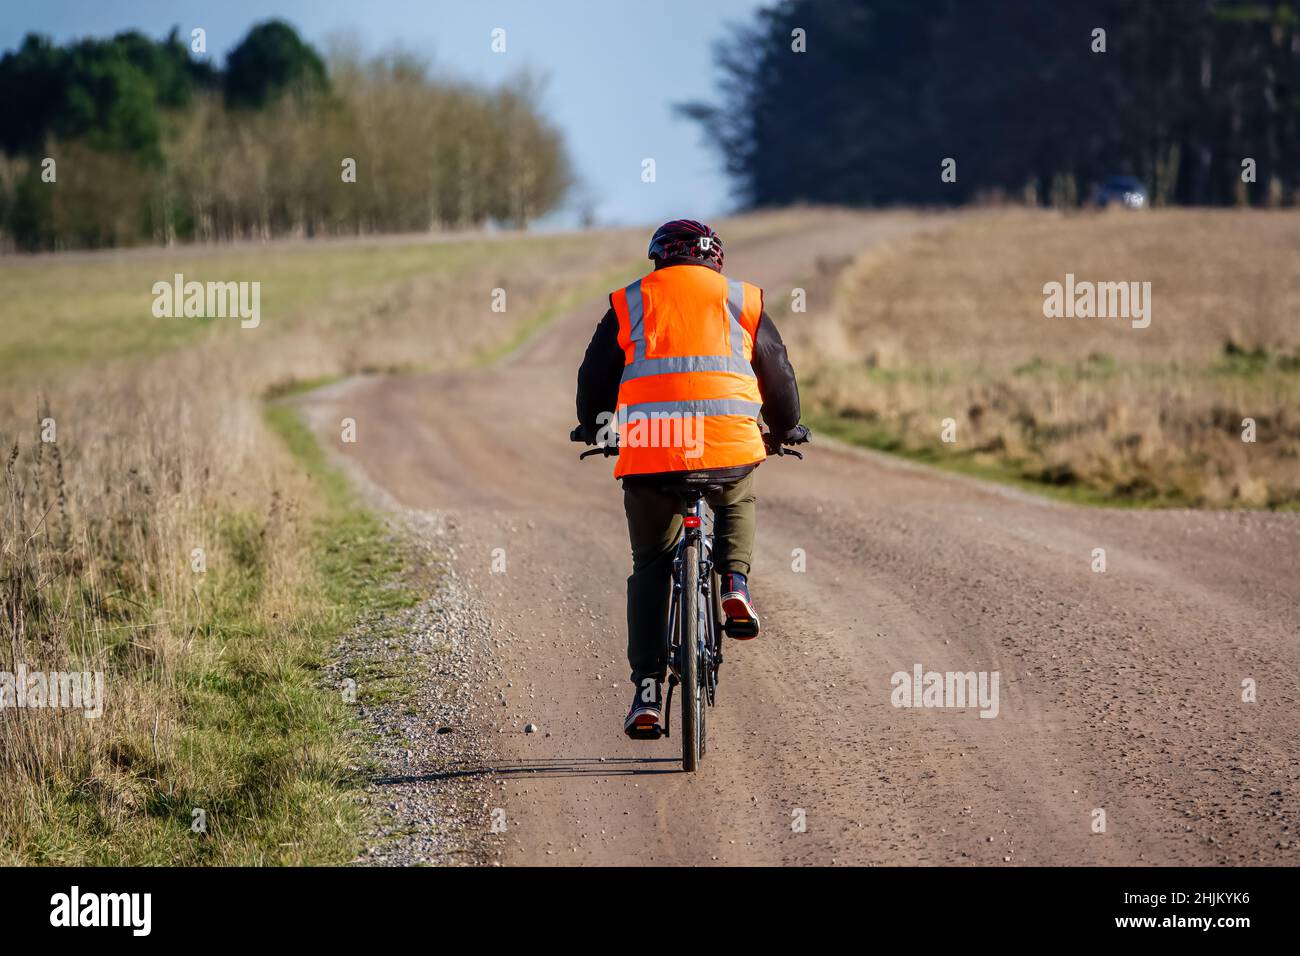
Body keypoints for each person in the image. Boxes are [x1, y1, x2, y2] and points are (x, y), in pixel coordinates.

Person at [572, 219, 809, 737]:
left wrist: (593, 425)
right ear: (714, 261)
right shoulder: (742, 299)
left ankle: (648, 691)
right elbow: (777, 369)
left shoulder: (630, 301)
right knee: (738, 493)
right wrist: (786, 427)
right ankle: (735, 582)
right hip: (727, 444)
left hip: (650, 450)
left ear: (659, 260)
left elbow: (595, 376)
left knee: (652, 563)